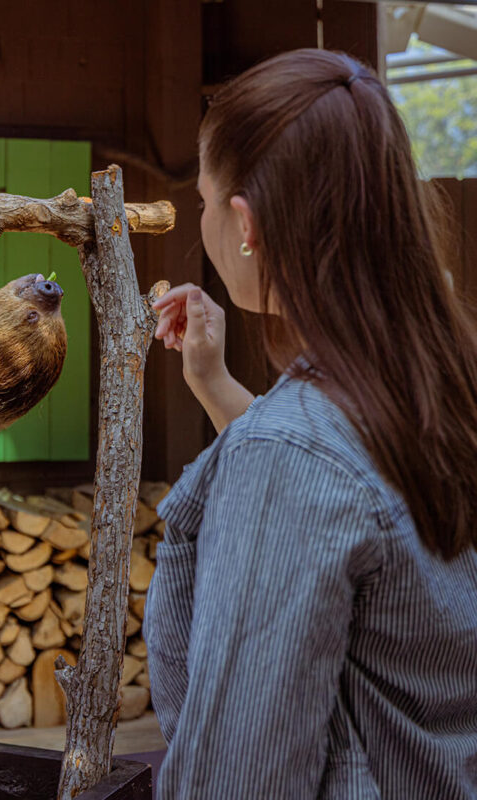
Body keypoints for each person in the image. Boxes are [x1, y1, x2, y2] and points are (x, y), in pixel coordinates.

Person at [142, 48, 477, 799]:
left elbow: (240, 777)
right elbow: (352, 485)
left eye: (205, 200)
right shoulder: (444, 383)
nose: (202, 220)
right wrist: (214, 384)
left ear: (246, 223)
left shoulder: (289, 453)